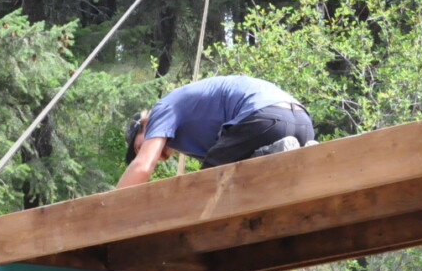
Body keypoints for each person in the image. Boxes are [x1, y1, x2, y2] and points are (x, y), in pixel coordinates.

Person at [116, 74, 314, 187]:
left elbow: (143, 167)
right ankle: (278, 153)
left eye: (139, 147)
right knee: (234, 178)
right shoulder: (195, 133)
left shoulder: (162, 109)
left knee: (205, 186)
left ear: (144, 124)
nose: (144, 152)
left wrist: (108, 210)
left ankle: (272, 154)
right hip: (303, 123)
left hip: (263, 118)